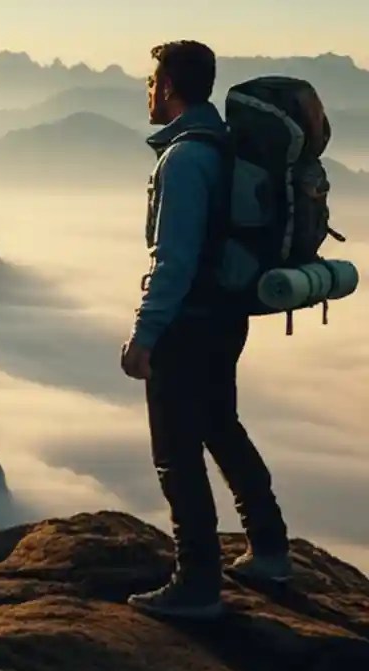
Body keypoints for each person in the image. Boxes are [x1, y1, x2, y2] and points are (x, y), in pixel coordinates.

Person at [122, 40, 292, 619]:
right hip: (226, 318)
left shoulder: (184, 160)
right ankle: (268, 544)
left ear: (168, 86)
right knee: (221, 424)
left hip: (188, 326)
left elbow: (172, 260)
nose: (147, 88)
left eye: (152, 78)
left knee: (176, 452)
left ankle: (196, 583)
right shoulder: (222, 146)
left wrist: (145, 337)